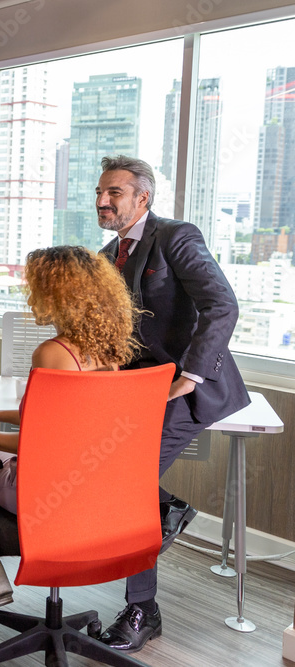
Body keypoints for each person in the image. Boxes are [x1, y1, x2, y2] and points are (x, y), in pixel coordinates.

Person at [94, 155, 250, 653]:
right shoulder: (106, 256)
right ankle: (170, 508)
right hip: (136, 390)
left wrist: (191, 374)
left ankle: (143, 610)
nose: (102, 200)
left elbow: (221, 304)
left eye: (114, 192)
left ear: (143, 198)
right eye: (99, 192)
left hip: (186, 388)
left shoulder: (176, 237)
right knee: (115, 477)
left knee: (131, 484)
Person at [0, 246, 140, 611]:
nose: (30, 298)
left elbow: (39, 442)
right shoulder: (106, 354)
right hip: (90, 490)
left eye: (36, 289)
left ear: (59, 296)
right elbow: (64, 423)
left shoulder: (52, 354)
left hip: (43, 495)